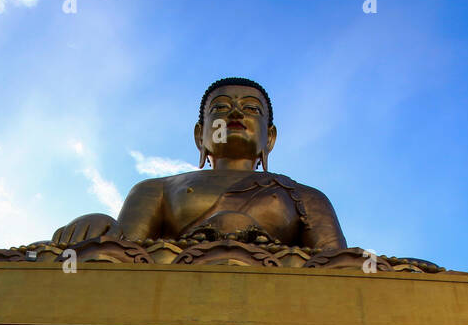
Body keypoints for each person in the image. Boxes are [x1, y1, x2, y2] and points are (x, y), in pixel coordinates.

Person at [52, 78, 347, 253]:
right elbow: (125, 255)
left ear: (269, 137)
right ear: (200, 134)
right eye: (220, 107)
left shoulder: (304, 197)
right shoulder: (157, 189)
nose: (234, 112)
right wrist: (100, 227)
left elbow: (338, 268)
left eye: (251, 109)